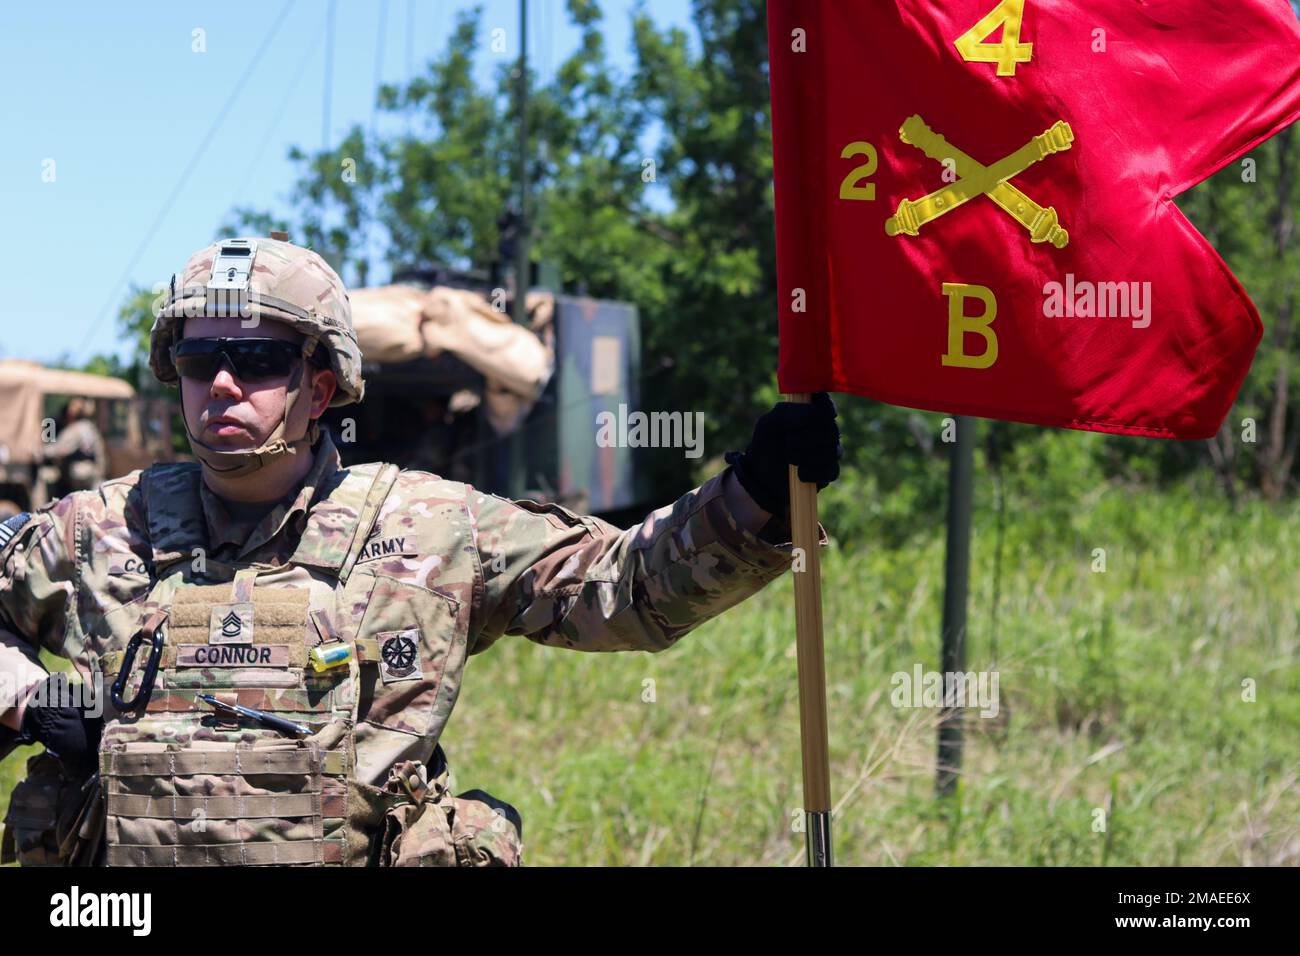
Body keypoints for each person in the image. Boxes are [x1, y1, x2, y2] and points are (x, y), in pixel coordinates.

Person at [0, 235, 840, 867]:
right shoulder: (94, 530)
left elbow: (626, 588)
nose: (221, 383)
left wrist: (756, 495)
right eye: (197, 358)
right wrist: (28, 699)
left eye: (254, 360)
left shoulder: (432, 529)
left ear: (320, 385)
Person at [42, 398, 107, 498]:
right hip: (93, 471)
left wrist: (41, 452)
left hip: (82, 471)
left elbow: (60, 449)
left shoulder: (77, 428)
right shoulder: (90, 427)